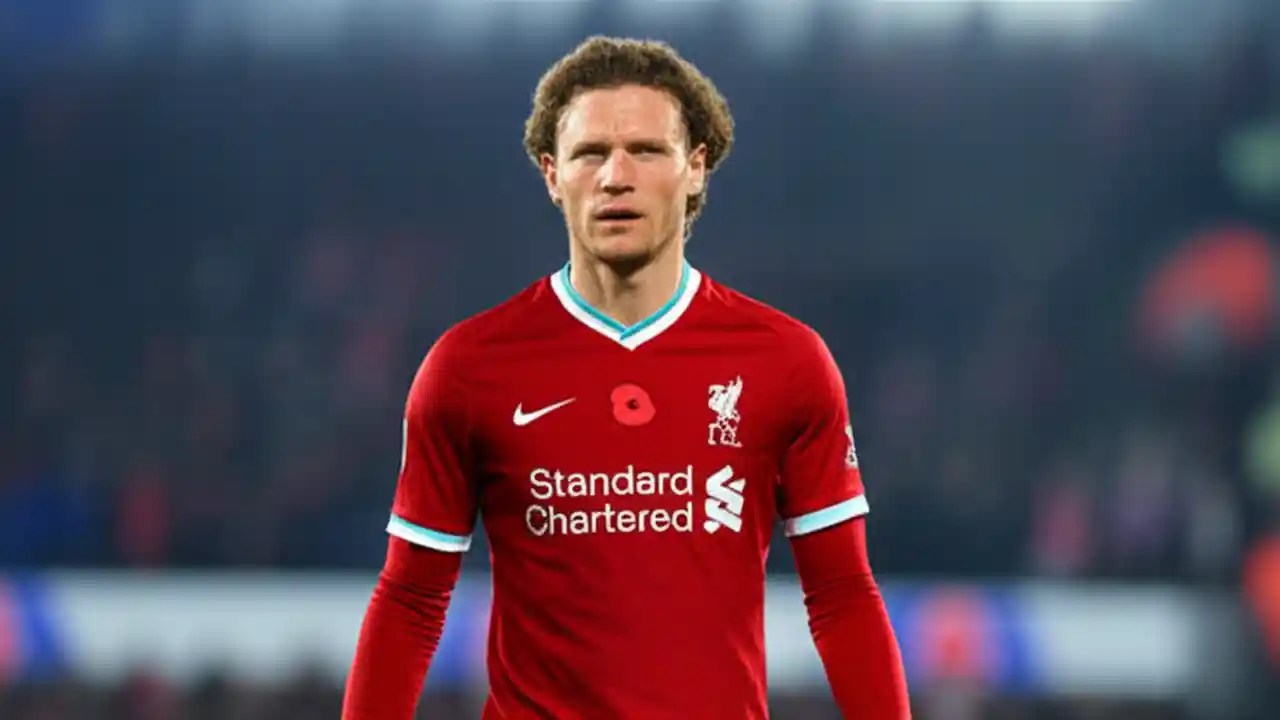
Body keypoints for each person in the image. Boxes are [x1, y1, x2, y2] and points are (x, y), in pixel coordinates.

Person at [342, 35, 910, 719]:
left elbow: (842, 592)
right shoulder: (467, 369)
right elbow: (410, 600)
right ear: (552, 174)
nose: (616, 176)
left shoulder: (786, 362)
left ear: (696, 167)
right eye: (590, 153)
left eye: (645, 150)